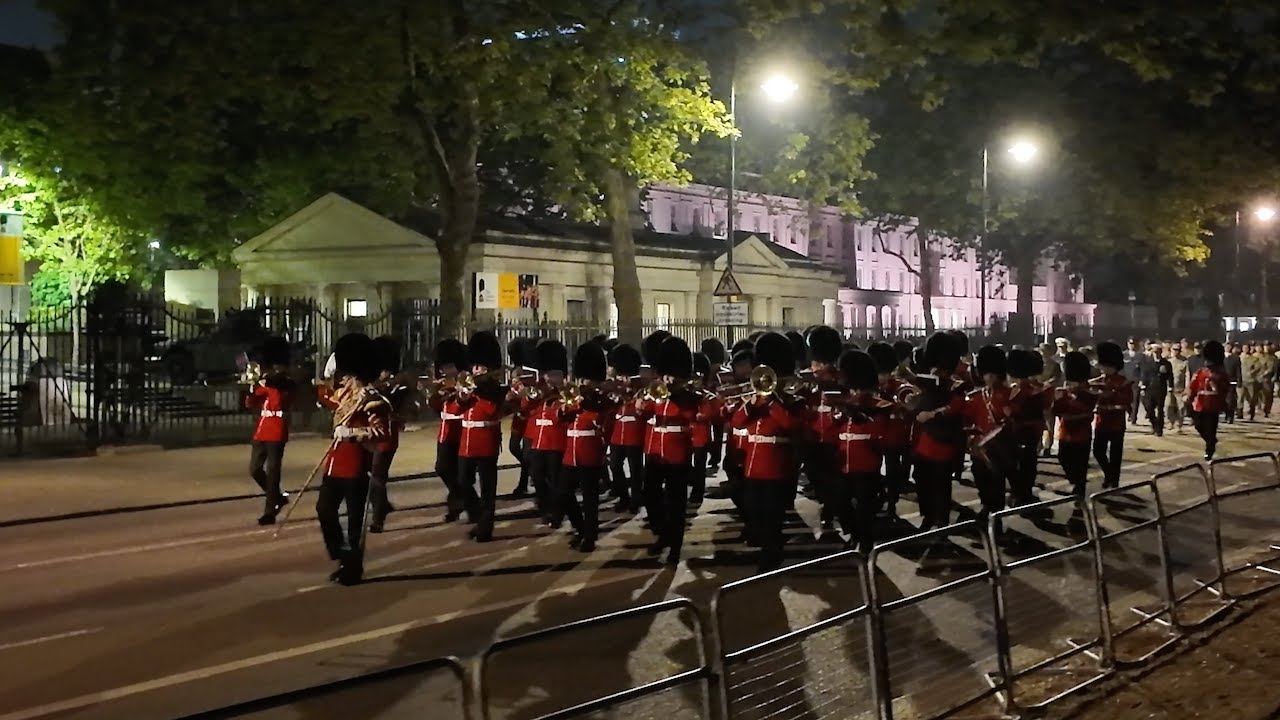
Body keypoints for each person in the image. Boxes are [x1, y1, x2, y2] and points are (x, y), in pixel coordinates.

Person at [314, 333, 390, 586]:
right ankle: (341, 554)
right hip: (335, 463)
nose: (342, 379)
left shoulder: (372, 401)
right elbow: (325, 395)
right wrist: (324, 373)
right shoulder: (347, 396)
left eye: (345, 375)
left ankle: (352, 566)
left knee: (356, 521)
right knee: (324, 510)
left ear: (356, 375)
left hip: (357, 463)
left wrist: (351, 433)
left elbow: (380, 432)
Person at [736, 332, 801, 571]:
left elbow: (791, 425)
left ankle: (772, 554)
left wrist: (772, 402)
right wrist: (753, 403)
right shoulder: (755, 399)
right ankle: (768, 547)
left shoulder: (790, 398)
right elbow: (736, 422)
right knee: (753, 511)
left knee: (772, 515)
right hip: (753, 464)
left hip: (776, 464)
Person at [642, 335, 700, 565]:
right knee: (650, 497)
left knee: (676, 504)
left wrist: (680, 393)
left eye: (672, 374)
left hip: (677, 454)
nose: (668, 378)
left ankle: (674, 545)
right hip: (655, 452)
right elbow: (643, 414)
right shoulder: (656, 392)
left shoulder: (690, 397)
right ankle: (662, 534)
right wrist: (640, 406)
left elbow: (695, 415)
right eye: (665, 373)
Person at [831, 349, 888, 554]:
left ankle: (865, 543)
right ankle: (854, 534)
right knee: (840, 504)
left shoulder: (876, 403)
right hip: (843, 460)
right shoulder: (843, 399)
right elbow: (833, 428)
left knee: (864, 508)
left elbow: (880, 431)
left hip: (865, 462)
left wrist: (861, 416)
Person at [909, 333, 967, 532]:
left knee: (941, 484)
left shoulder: (956, 385)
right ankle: (927, 516)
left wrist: (931, 415)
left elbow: (956, 408)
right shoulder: (925, 380)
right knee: (922, 480)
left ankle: (941, 522)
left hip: (944, 439)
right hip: (923, 439)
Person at [456, 331, 509, 543]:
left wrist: (477, 394)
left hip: (486, 440)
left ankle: (485, 527)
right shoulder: (472, 386)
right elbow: (459, 409)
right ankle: (479, 517)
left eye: (480, 367)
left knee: (488, 488)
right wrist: (463, 396)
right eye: (475, 366)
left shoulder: (494, 389)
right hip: (467, 441)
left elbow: (491, 411)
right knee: (462, 482)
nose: (476, 370)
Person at [560, 343, 612, 552]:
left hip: (589, 451)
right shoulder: (576, 398)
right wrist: (565, 408)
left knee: (590, 499)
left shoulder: (602, 401)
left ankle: (589, 537)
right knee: (563, 493)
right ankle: (580, 528)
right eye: (581, 379)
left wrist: (587, 403)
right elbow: (562, 420)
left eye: (586, 379)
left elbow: (601, 423)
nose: (582, 383)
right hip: (571, 452)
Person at [242, 336, 295, 525]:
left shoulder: (285, 383)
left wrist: (266, 382)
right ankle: (277, 497)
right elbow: (251, 402)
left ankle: (269, 511)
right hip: (262, 429)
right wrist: (251, 386)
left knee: (273, 471)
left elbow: (281, 395)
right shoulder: (269, 382)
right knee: (255, 469)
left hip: (277, 429)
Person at [965, 346, 1015, 521]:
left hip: (999, 447)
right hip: (980, 448)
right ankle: (987, 506)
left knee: (997, 483)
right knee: (981, 480)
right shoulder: (977, 396)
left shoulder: (1010, 395)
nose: (989, 377)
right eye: (987, 373)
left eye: (993, 373)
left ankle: (996, 515)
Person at [804, 325, 845, 532]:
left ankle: (831, 509)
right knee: (816, 476)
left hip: (833, 438)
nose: (817, 366)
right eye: (816, 361)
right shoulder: (807, 382)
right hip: (812, 438)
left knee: (834, 479)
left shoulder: (840, 380)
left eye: (821, 362)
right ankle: (826, 503)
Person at [368, 335, 409, 533]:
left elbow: (395, 407)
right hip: (370, 434)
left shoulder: (398, 385)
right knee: (371, 474)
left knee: (378, 475)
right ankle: (382, 505)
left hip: (386, 435)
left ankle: (378, 518)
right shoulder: (374, 383)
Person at [527, 339, 569, 525]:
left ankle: (557, 513)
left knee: (555, 481)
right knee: (537, 476)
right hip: (539, 441)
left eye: (554, 374)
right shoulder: (540, 392)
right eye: (547, 374)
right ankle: (545, 507)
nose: (549, 378)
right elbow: (525, 410)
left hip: (556, 442)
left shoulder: (565, 394)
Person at [868, 342, 911, 517]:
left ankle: (892, 504)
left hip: (895, 434)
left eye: (884, 373)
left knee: (893, 471)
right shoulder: (870, 386)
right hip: (876, 433)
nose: (882, 377)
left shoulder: (899, 385)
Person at [1007, 349, 1049, 506]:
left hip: (1024, 431)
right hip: (1027, 432)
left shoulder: (1027, 390)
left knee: (1021, 464)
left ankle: (1020, 494)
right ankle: (1023, 493)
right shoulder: (1035, 389)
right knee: (1027, 465)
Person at [607, 343, 645, 513]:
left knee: (636, 468)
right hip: (618, 430)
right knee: (615, 465)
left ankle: (636, 499)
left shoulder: (639, 383)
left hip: (634, 430)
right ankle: (623, 496)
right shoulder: (614, 383)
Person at [1053, 352, 1098, 497]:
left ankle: (1079, 490)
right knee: (1063, 458)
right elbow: (1055, 411)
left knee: (1081, 465)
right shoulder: (1064, 394)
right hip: (1065, 433)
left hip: (1082, 435)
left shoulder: (1089, 394)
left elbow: (1087, 411)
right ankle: (1075, 482)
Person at [1092, 342, 1133, 489]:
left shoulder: (1123, 382)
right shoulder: (1097, 382)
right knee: (1098, 451)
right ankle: (1109, 474)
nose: (1102, 369)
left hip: (1116, 421)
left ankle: (1113, 479)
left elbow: (1127, 400)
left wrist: (1112, 394)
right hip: (1101, 420)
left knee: (1115, 454)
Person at [1188, 340, 1230, 460]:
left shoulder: (1221, 374)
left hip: (1214, 404)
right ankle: (1211, 440)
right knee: (1198, 425)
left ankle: (1209, 449)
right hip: (1200, 403)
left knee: (1211, 428)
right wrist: (1190, 397)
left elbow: (1225, 388)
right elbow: (1193, 385)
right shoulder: (1201, 372)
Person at [505, 338, 536, 498]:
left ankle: (524, 483)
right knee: (514, 447)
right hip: (519, 415)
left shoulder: (531, 372)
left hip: (529, 415)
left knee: (526, 451)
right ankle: (530, 472)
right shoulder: (516, 370)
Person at [701, 338, 729, 475]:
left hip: (710, 404)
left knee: (711, 433)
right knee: (716, 433)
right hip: (716, 404)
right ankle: (714, 458)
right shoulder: (723, 371)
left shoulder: (706, 370)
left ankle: (711, 457)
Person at [1139, 342, 1172, 437]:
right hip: (1149, 388)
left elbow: (1170, 376)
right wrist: (1142, 385)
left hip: (1161, 388)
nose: (1156, 354)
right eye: (1154, 352)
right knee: (1149, 408)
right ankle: (1154, 424)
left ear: (1161, 352)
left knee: (1160, 410)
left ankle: (1159, 430)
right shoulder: (1148, 363)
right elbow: (1144, 374)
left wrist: (1170, 386)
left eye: (1158, 352)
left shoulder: (1166, 363)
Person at [1121, 338, 1146, 425]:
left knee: (1135, 400)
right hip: (1126, 380)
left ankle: (1133, 418)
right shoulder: (1124, 355)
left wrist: (1142, 380)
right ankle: (1130, 413)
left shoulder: (1141, 356)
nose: (1132, 345)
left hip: (1136, 380)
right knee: (1125, 400)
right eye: (1130, 343)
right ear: (1127, 344)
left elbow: (1143, 369)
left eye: (1134, 344)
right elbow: (1121, 368)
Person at [1167, 343, 1189, 433]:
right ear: (1171, 350)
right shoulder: (1168, 361)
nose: (1176, 351)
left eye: (1178, 350)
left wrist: (1187, 388)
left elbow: (1187, 375)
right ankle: (1170, 422)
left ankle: (1178, 425)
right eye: (1174, 349)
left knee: (1181, 408)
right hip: (1169, 388)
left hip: (1180, 389)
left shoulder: (1184, 361)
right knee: (1168, 406)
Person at [1241, 343, 1266, 421]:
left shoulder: (1254, 359)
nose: (1245, 349)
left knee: (1251, 398)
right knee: (1240, 398)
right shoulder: (1239, 357)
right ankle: (1240, 414)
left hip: (1251, 381)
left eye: (1246, 348)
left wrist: (1252, 372)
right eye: (1244, 348)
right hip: (1241, 380)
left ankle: (1251, 413)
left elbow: (1258, 367)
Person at [1224, 342, 1243, 423]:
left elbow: (1238, 371)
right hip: (1221, 381)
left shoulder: (1235, 358)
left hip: (1232, 382)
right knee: (1222, 400)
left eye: (1229, 346)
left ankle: (1230, 416)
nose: (1228, 348)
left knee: (1230, 400)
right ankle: (1225, 414)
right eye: (1226, 346)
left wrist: (1239, 381)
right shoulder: (1219, 357)